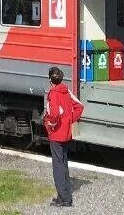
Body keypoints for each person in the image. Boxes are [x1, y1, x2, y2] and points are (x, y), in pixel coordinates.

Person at [43, 67, 83, 208]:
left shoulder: (53, 93)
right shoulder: (66, 90)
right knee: (64, 163)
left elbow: (53, 113)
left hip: (56, 134)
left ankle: (64, 198)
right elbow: (79, 106)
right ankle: (66, 195)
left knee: (58, 166)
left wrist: (51, 125)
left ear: (50, 80)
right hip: (66, 133)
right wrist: (69, 119)